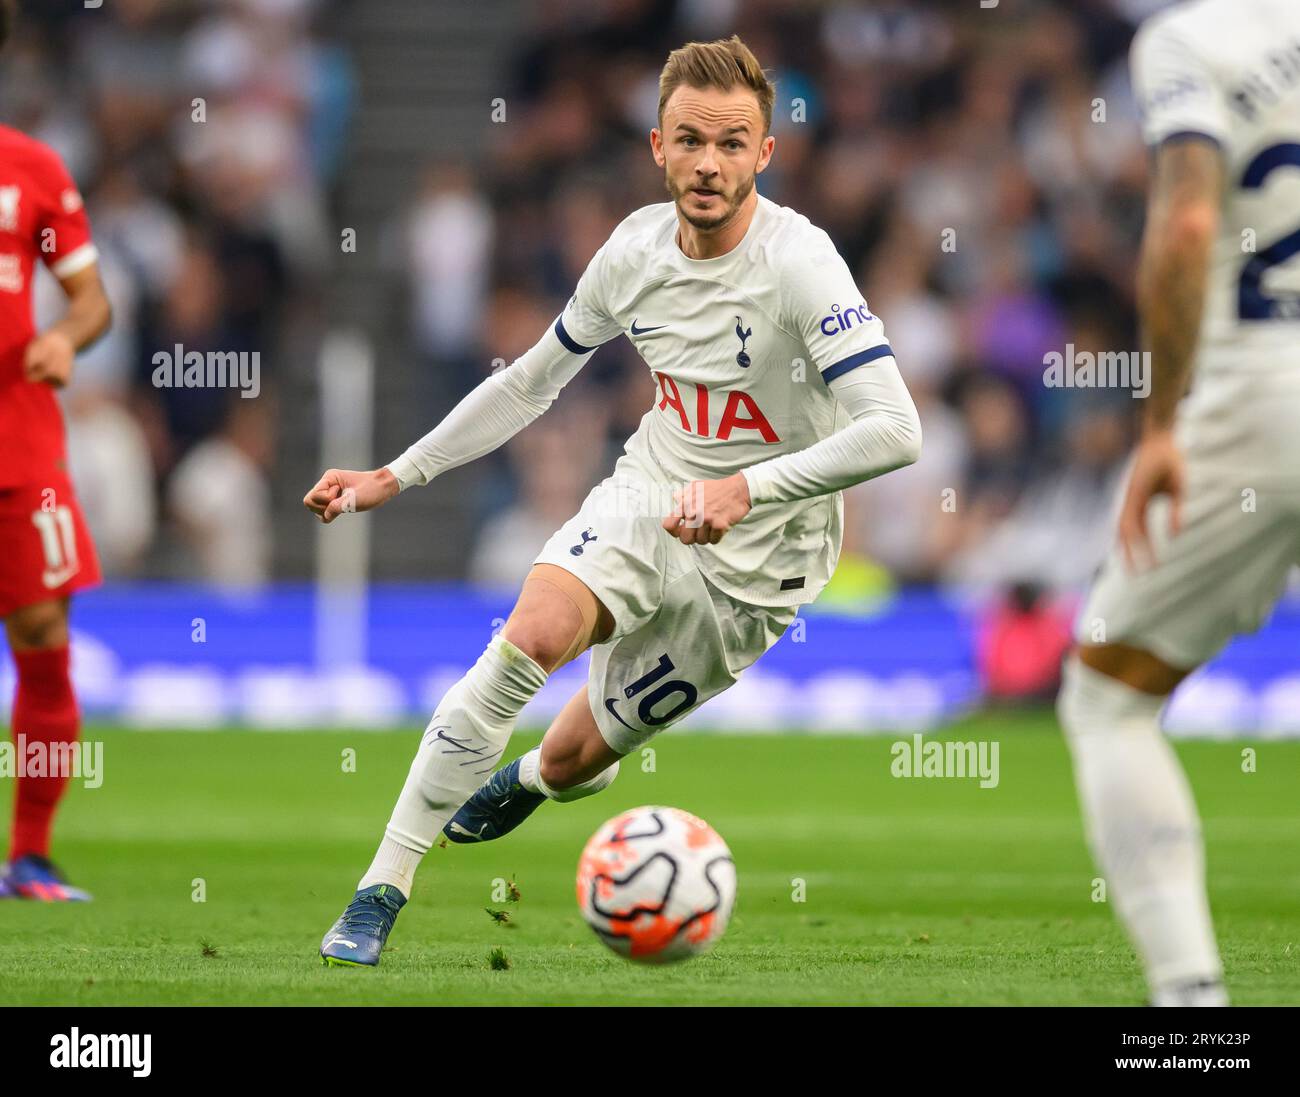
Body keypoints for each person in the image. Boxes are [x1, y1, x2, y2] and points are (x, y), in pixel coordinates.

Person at [304, 35, 921, 966]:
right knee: (530, 639)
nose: (708, 163)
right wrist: (397, 473)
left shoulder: (802, 263)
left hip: (764, 566)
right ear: (657, 147)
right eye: (689, 140)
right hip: (650, 494)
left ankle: (528, 778)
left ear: (765, 153)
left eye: (731, 142)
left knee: (568, 760)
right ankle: (380, 887)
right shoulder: (632, 251)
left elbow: (895, 430)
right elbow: (527, 384)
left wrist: (743, 490)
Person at [1057, 0, 1300, 1006]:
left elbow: (1190, 217)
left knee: (1109, 694)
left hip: (1261, 389)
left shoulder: (1188, 41)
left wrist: (1159, 424)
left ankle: (1191, 1008)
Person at [0, 0, 113, 901]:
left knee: (43, 639)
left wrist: (66, 340)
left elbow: (92, 300)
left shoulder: (32, 168)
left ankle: (28, 855)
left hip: (19, 442)